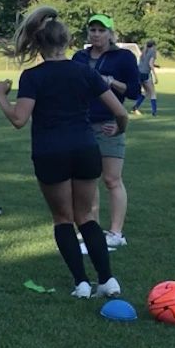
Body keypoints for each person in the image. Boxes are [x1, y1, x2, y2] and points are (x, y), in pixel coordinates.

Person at [0, 6, 130, 298]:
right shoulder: (85, 72)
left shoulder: (32, 77)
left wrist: (0, 96)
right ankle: (108, 280)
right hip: (85, 149)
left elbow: (19, 119)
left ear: (38, 44)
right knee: (87, 218)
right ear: (67, 42)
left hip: (50, 152)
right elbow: (121, 112)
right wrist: (118, 130)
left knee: (63, 219)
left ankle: (81, 283)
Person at [71, 14, 140, 248]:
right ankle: (91, 229)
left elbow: (134, 91)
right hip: (81, 125)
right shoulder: (79, 57)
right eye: (93, 30)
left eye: (102, 30)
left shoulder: (124, 57)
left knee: (111, 179)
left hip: (109, 125)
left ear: (111, 33)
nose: (97, 34)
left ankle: (116, 233)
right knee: (87, 180)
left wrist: (110, 81)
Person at [132, 40, 158, 116]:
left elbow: (144, 62)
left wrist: (155, 65)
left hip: (138, 73)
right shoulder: (153, 52)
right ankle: (154, 112)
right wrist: (156, 77)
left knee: (146, 92)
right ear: (153, 46)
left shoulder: (143, 52)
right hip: (146, 74)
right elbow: (150, 64)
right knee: (153, 93)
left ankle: (135, 107)